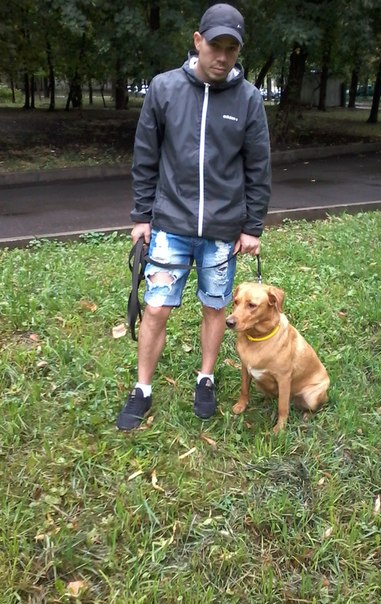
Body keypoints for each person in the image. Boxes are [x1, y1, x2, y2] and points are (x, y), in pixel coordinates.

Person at [116, 3, 271, 430]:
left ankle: (206, 378)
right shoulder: (164, 89)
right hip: (170, 224)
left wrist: (252, 226)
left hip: (223, 231)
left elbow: (258, 166)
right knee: (155, 310)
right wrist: (142, 216)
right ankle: (142, 388)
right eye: (215, 46)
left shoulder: (249, 99)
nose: (222, 57)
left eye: (231, 49)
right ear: (198, 41)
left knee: (215, 307)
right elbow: (145, 157)